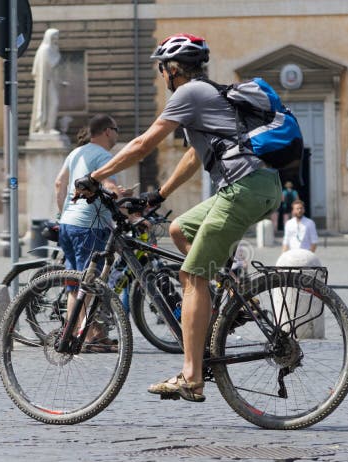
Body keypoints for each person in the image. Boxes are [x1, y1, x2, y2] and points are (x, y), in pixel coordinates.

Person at [73, 33, 281, 402]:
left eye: (162, 69)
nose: (161, 76)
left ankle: (191, 376)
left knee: (191, 275)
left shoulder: (188, 94)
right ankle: (235, 301)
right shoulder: (207, 95)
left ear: (171, 70)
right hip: (260, 184)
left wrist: (94, 177)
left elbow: (142, 144)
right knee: (179, 229)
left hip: (243, 188)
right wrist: (160, 195)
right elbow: (194, 157)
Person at [54, 114, 123, 351]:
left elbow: (59, 183)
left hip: (68, 224)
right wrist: (125, 198)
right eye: (116, 129)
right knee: (88, 285)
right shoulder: (104, 156)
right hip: (89, 227)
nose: (117, 134)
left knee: (76, 285)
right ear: (106, 131)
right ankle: (88, 336)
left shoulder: (76, 153)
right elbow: (110, 187)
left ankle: (73, 332)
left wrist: (64, 212)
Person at [30, 28, 61, 135]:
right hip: (46, 82)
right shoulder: (45, 49)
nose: (56, 39)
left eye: (57, 37)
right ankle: (46, 127)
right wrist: (58, 54)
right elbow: (51, 63)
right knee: (52, 103)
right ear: (49, 37)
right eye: (54, 37)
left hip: (50, 81)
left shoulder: (50, 49)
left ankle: (49, 127)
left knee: (52, 103)